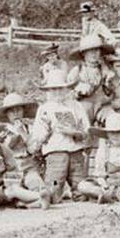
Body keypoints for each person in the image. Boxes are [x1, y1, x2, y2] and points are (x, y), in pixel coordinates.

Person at [30, 66, 93, 202]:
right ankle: (51, 193)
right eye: (54, 89)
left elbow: (86, 130)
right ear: (48, 90)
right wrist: (45, 133)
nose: (57, 92)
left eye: (61, 88)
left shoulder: (76, 106)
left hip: (76, 152)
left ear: (67, 88)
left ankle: (77, 193)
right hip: (56, 153)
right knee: (54, 185)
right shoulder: (45, 109)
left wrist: (76, 133)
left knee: (82, 189)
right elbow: (38, 135)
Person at [68, 34, 115, 123]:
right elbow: (67, 94)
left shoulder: (106, 70)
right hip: (83, 108)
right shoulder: (77, 71)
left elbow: (113, 92)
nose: (94, 54)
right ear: (84, 54)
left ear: (100, 52)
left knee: (112, 119)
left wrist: (109, 86)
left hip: (102, 106)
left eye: (96, 50)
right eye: (90, 51)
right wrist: (78, 92)